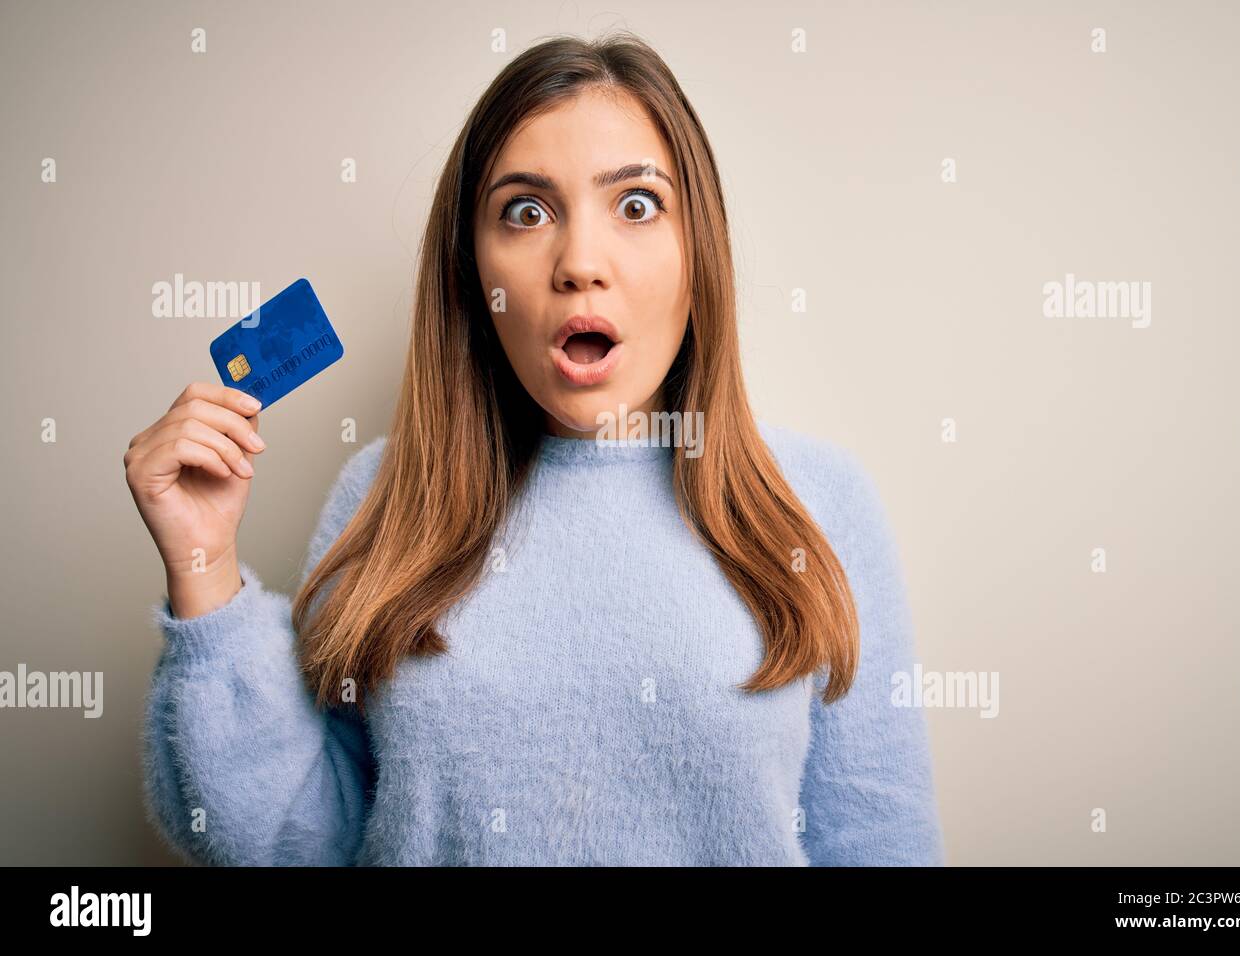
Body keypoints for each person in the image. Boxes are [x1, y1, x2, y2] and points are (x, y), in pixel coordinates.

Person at [124, 32, 944, 866]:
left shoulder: (819, 500)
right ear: (474, 278)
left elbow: (881, 841)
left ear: (700, 256)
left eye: (635, 205)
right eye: (526, 210)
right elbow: (299, 843)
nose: (580, 263)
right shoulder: (381, 493)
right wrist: (203, 563)